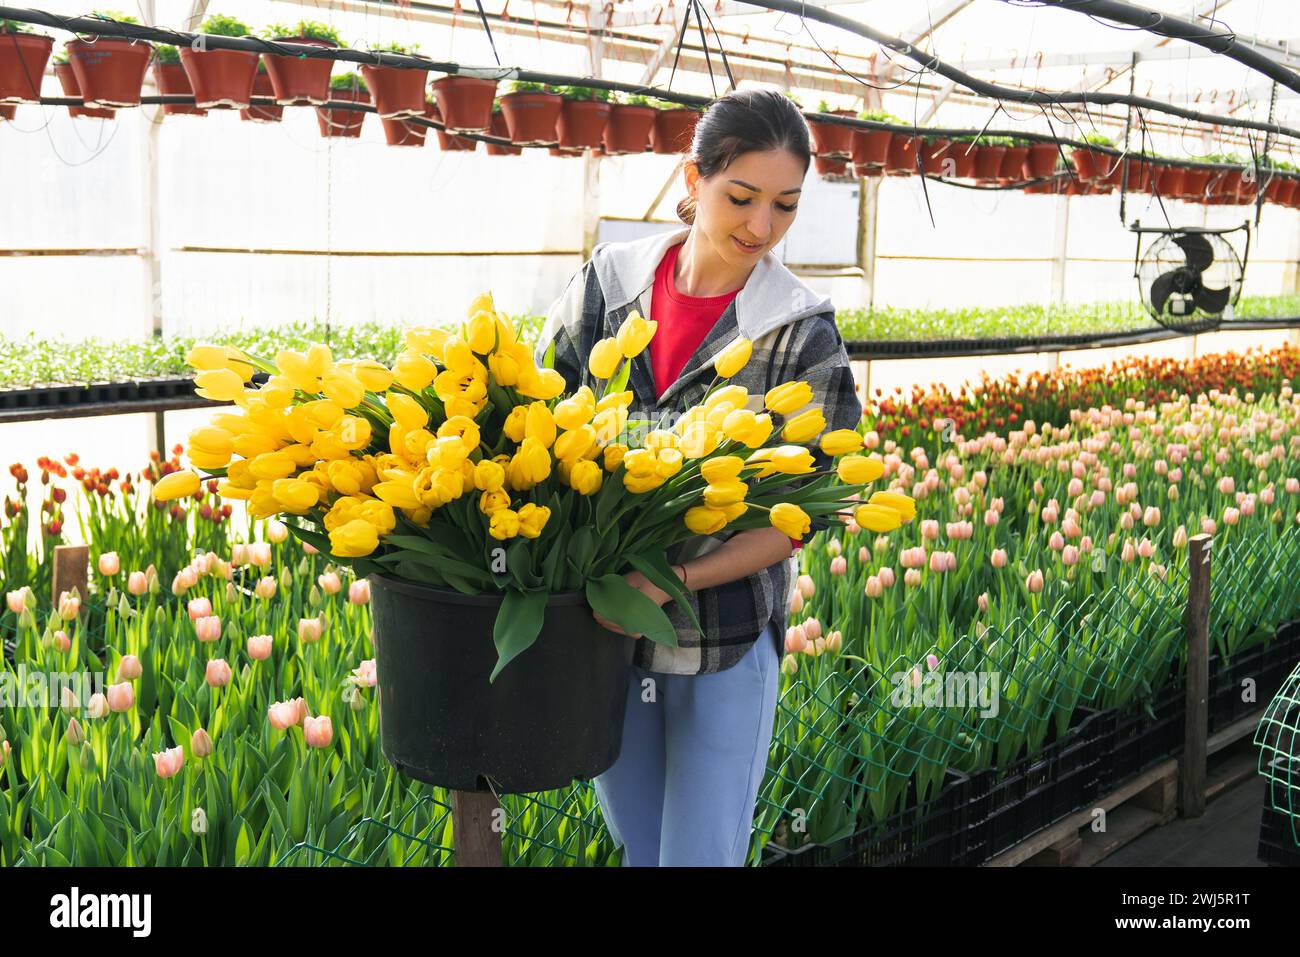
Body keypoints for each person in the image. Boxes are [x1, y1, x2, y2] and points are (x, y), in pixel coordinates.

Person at [533, 88, 861, 866]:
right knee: (642, 851)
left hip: (723, 637)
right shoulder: (608, 287)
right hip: (606, 631)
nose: (761, 227)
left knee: (699, 858)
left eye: (785, 206)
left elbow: (798, 513)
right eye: (740, 197)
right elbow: (540, 424)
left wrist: (675, 577)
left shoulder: (799, 332)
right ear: (695, 178)